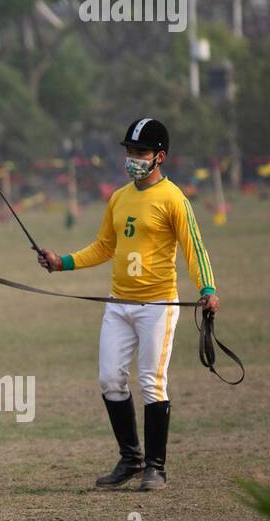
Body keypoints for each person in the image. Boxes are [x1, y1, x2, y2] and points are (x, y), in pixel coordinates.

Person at [36, 118, 220, 491]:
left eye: (140, 153)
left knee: (152, 382)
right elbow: (105, 246)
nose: (133, 159)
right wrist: (62, 262)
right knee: (110, 379)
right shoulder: (118, 198)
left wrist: (207, 288)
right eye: (130, 152)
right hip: (118, 304)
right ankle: (131, 458)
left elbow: (193, 248)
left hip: (157, 305)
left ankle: (156, 467)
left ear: (159, 157)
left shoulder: (173, 200)